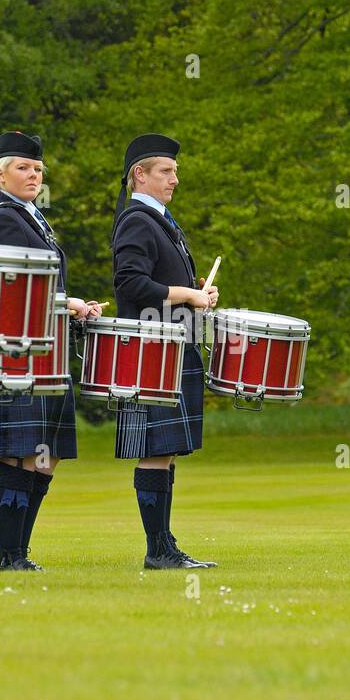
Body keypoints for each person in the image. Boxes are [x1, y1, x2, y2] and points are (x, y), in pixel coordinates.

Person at [0, 131, 102, 571]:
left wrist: (73, 305)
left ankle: (18, 552)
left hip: (44, 344)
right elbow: (8, 289)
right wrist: (69, 303)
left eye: (38, 169)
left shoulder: (29, 215)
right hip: (17, 349)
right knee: (18, 449)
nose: (33, 175)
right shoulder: (4, 217)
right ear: (1, 173)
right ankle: (7, 555)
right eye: (24, 167)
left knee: (46, 452)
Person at [111, 134, 219, 570]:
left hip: (171, 346)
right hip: (153, 350)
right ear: (140, 174)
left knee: (166, 448)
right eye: (166, 171)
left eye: (175, 171)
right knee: (156, 448)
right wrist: (186, 296)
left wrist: (196, 295)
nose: (175, 178)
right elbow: (130, 283)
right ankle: (158, 550)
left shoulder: (160, 219)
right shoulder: (137, 219)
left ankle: (164, 543)